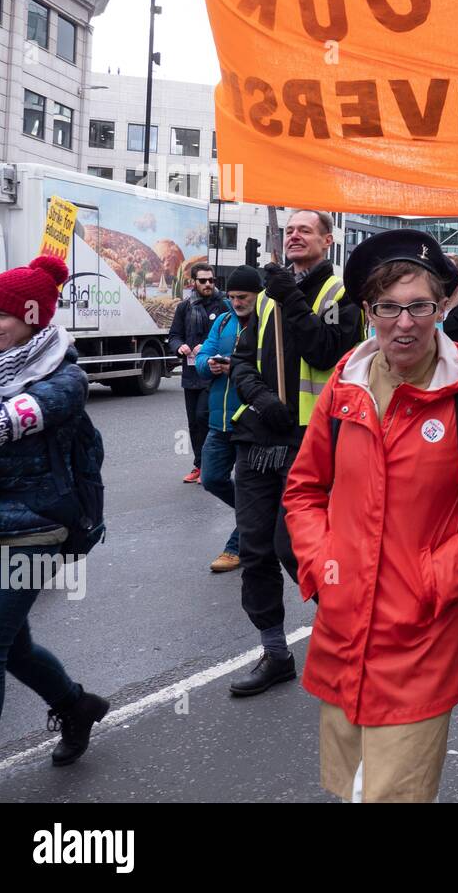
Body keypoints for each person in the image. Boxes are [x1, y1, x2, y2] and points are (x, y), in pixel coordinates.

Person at [284, 230, 458, 803]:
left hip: (422, 636)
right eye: (389, 307)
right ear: (369, 313)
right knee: (351, 789)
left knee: (394, 795)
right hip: (344, 629)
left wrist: (430, 581)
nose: (404, 322)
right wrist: (322, 567)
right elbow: (305, 490)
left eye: (419, 306)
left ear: (442, 309)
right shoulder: (345, 386)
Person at [227, 210, 362, 697]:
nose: (294, 235)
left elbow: (327, 352)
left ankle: (344, 630)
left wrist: (290, 297)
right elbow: (243, 362)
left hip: (314, 441)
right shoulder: (265, 298)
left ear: (328, 240)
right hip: (261, 439)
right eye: (289, 230)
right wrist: (261, 398)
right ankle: (276, 652)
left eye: (305, 229)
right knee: (256, 548)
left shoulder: (340, 295)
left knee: (295, 547)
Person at [0, 257, 110, 765]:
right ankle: (76, 706)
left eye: (1, 315)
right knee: (12, 648)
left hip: (38, 527)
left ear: (33, 318)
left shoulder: (66, 380)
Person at [193, 265, 261, 573]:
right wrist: (210, 364)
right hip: (219, 423)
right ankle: (256, 515)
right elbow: (200, 359)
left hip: (251, 424)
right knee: (211, 478)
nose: (236, 302)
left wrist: (237, 368)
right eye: (232, 296)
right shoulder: (221, 322)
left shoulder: (268, 324)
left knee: (249, 491)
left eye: (242, 296)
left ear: (258, 295)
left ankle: (236, 547)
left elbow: (274, 369)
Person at [168, 262, 229, 484]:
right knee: (194, 421)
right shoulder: (184, 307)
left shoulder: (223, 306)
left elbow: (231, 337)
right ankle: (198, 465)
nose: (208, 284)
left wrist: (208, 348)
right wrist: (180, 347)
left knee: (204, 416)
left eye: (211, 281)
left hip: (212, 373)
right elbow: (174, 335)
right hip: (190, 373)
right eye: (203, 281)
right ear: (193, 282)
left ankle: (209, 466)